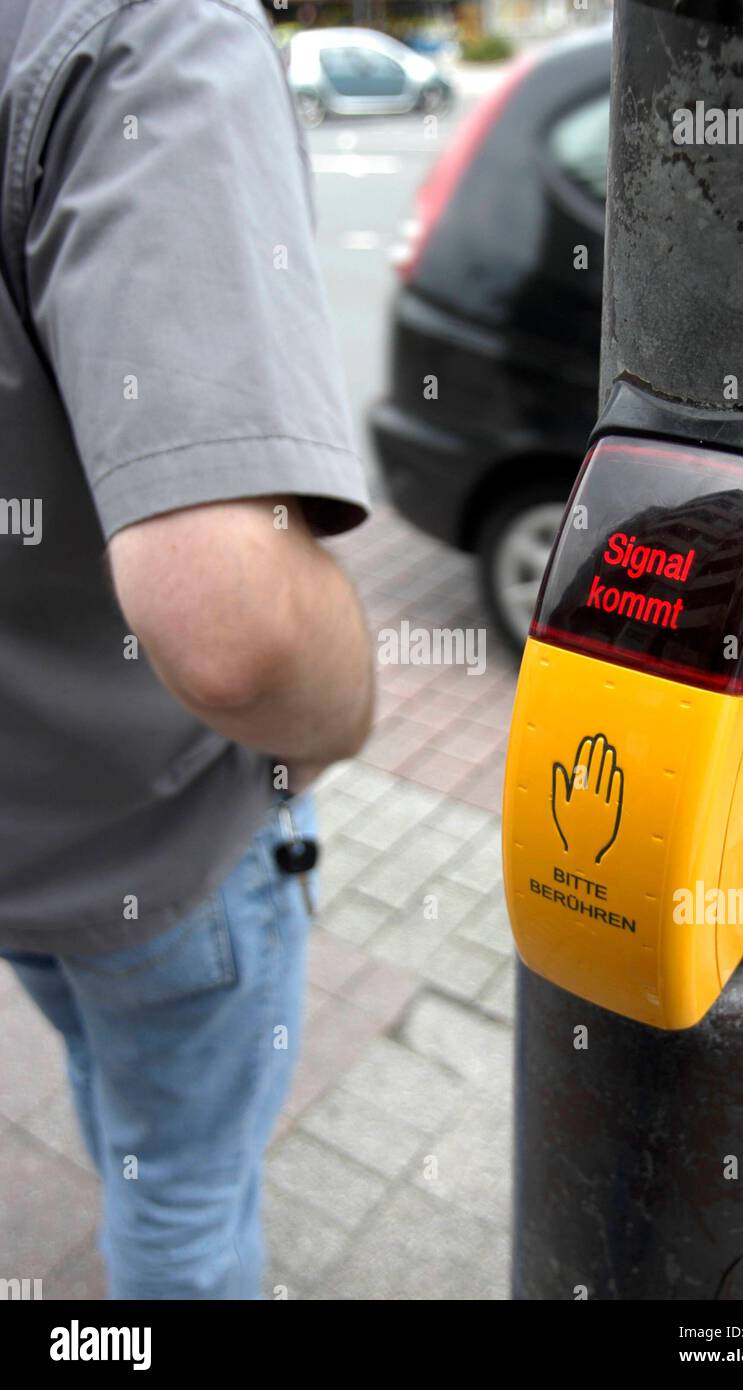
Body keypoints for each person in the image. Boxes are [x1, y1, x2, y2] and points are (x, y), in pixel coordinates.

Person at [0, 0, 373, 1299]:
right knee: (187, 1187)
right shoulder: (141, 29)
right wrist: (337, 727)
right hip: (166, 851)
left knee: (125, 1104)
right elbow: (235, 624)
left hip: (22, 856)